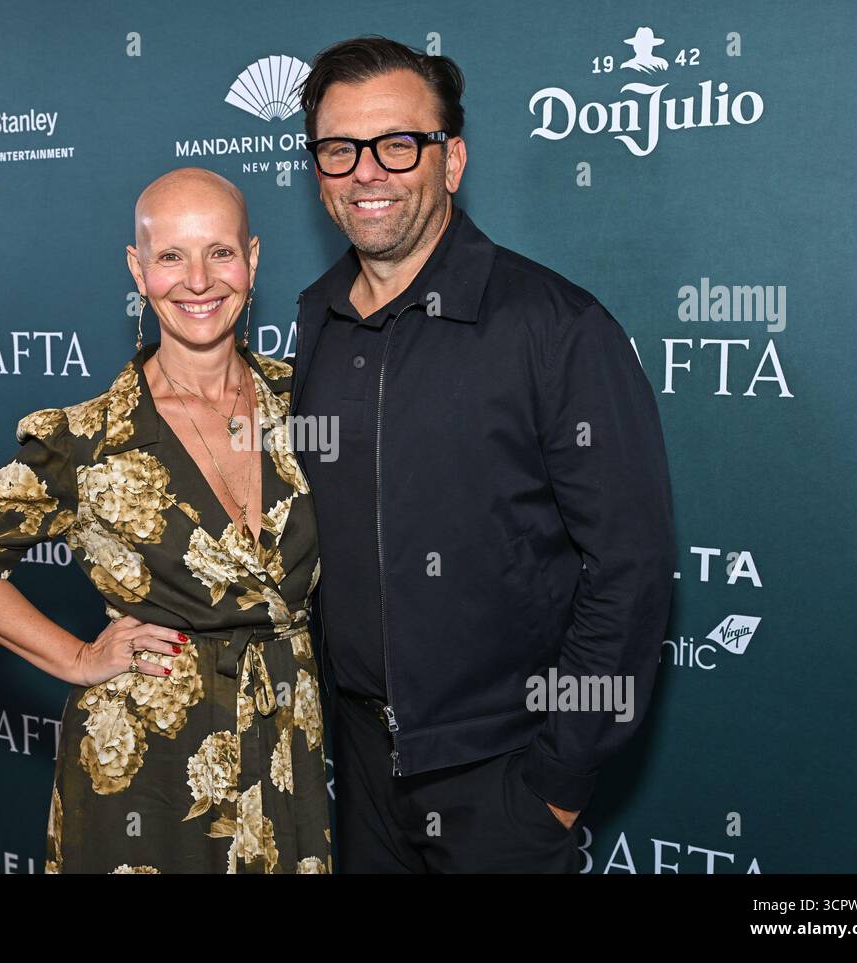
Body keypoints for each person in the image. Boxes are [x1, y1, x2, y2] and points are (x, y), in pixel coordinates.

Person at [290, 36, 676, 872]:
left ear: (451, 160)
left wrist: (558, 776)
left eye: (399, 143)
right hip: (355, 766)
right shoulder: (314, 322)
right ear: (317, 167)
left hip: (503, 779)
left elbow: (631, 567)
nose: (367, 171)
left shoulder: (556, 327)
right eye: (338, 148)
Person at [0, 167, 330, 874]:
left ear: (254, 258)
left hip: (285, 744)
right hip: (147, 769)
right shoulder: (90, 439)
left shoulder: (310, 399)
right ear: (138, 270)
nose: (198, 279)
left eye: (220, 252)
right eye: (171, 256)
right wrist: (79, 658)